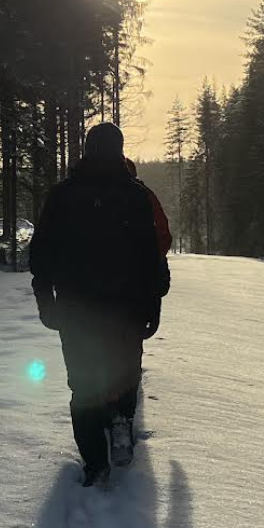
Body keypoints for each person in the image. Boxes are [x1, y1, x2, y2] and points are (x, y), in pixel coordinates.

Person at [29, 123, 166, 486]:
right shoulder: (135, 195)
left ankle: (94, 462)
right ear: (120, 151)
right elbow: (151, 256)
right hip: (126, 308)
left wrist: (45, 299)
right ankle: (120, 419)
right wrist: (153, 304)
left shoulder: (63, 195)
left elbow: (41, 254)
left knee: (84, 384)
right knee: (125, 372)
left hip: (77, 310)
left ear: (87, 150)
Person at [118, 157, 171, 419]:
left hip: (89, 295)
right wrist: (156, 291)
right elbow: (162, 239)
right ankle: (123, 414)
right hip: (134, 293)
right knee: (129, 354)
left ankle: (104, 414)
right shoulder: (142, 195)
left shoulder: (77, 192)